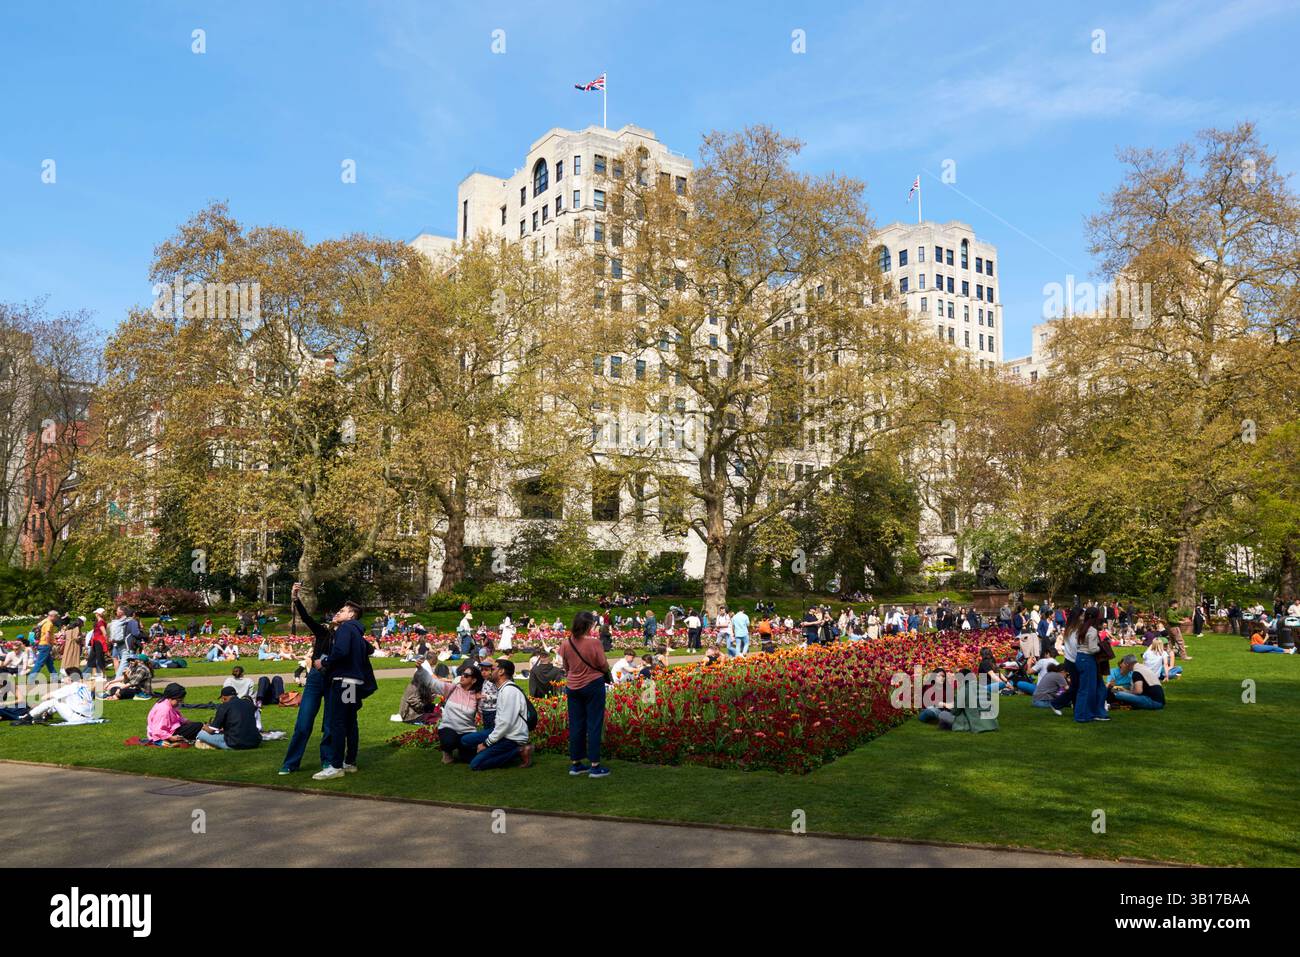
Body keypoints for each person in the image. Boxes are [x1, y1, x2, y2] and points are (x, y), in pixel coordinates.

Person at [280, 583, 337, 775]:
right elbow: (306, 618)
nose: (336, 616)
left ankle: (328, 761)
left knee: (329, 724)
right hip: (315, 678)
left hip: (334, 680)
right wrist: (295, 599)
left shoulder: (348, 635)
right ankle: (290, 763)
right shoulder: (323, 632)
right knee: (303, 722)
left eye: (340, 613)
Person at [313, 599, 369, 780]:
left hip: (343, 681)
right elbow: (369, 649)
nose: (339, 612)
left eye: (342, 610)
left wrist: (325, 661)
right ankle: (350, 762)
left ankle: (336, 766)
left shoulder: (346, 629)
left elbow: (341, 652)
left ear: (351, 614)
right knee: (350, 721)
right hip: (352, 682)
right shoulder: (357, 631)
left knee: (338, 722)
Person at [559, 610, 610, 777]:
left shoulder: (566, 642)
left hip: (573, 686)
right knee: (594, 724)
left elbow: (565, 666)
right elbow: (603, 665)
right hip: (592, 684)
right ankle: (594, 765)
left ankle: (576, 763)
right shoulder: (594, 642)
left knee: (576, 724)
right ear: (590, 624)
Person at [461, 659, 534, 770]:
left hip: (512, 738)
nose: (490, 672)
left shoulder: (509, 691)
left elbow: (505, 724)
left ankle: (519, 750)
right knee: (465, 740)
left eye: (493, 669)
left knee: (476, 764)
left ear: (501, 672)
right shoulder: (504, 689)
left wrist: (486, 744)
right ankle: (492, 752)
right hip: (504, 733)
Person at [431, 663, 484, 763]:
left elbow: (482, 714)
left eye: (467, 675)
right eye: (463, 674)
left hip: (467, 730)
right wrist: (420, 669)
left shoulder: (476, 696)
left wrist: (481, 702)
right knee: (449, 742)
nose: (463, 676)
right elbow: (433, 683)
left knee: (470, 759)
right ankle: (447, 752)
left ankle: (463, 749)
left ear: (473, 680)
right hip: (449, 727)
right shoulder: (453, 688)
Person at [1072, 607, 1109, 722]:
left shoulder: (1081, 628)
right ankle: (1082, 716)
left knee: (1084, 688)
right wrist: (1102, 647)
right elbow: (1093, 649)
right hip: (1088, 659)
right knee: (1087, 689)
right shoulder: (1092, 630)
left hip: (1080, 657)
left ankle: (1084, 713)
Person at [196, 686, 262, 750]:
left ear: (224, 697)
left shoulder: (224, 706)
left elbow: (211, 731)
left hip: (235, 743)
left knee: (201, 734)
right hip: (255, 742)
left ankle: (211, 745)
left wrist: (205, 727)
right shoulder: (248, 703)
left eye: (222, 699)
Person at [28, 610, 60, 677]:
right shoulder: (49, 623)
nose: (57, 618)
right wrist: (49, 644)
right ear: (53, 616)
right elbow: (47, 634)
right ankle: (31, 678)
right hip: (45, 645)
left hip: (42, 644)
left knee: (49, 663)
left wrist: (53, 641)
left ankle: (55, 678)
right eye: (56, 617)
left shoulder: (44, 621)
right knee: (39, 663)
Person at [86, 609, 109, 679]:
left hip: (99, 641)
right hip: (95, 641)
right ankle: (94, 674)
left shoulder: (101, 622)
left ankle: (103, 675)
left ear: (98, 614)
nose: (95, 615)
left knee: (100, 657)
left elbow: (104, 633)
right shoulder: (99, 622)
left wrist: (106, 642)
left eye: (96, 613)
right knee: (92, 657)